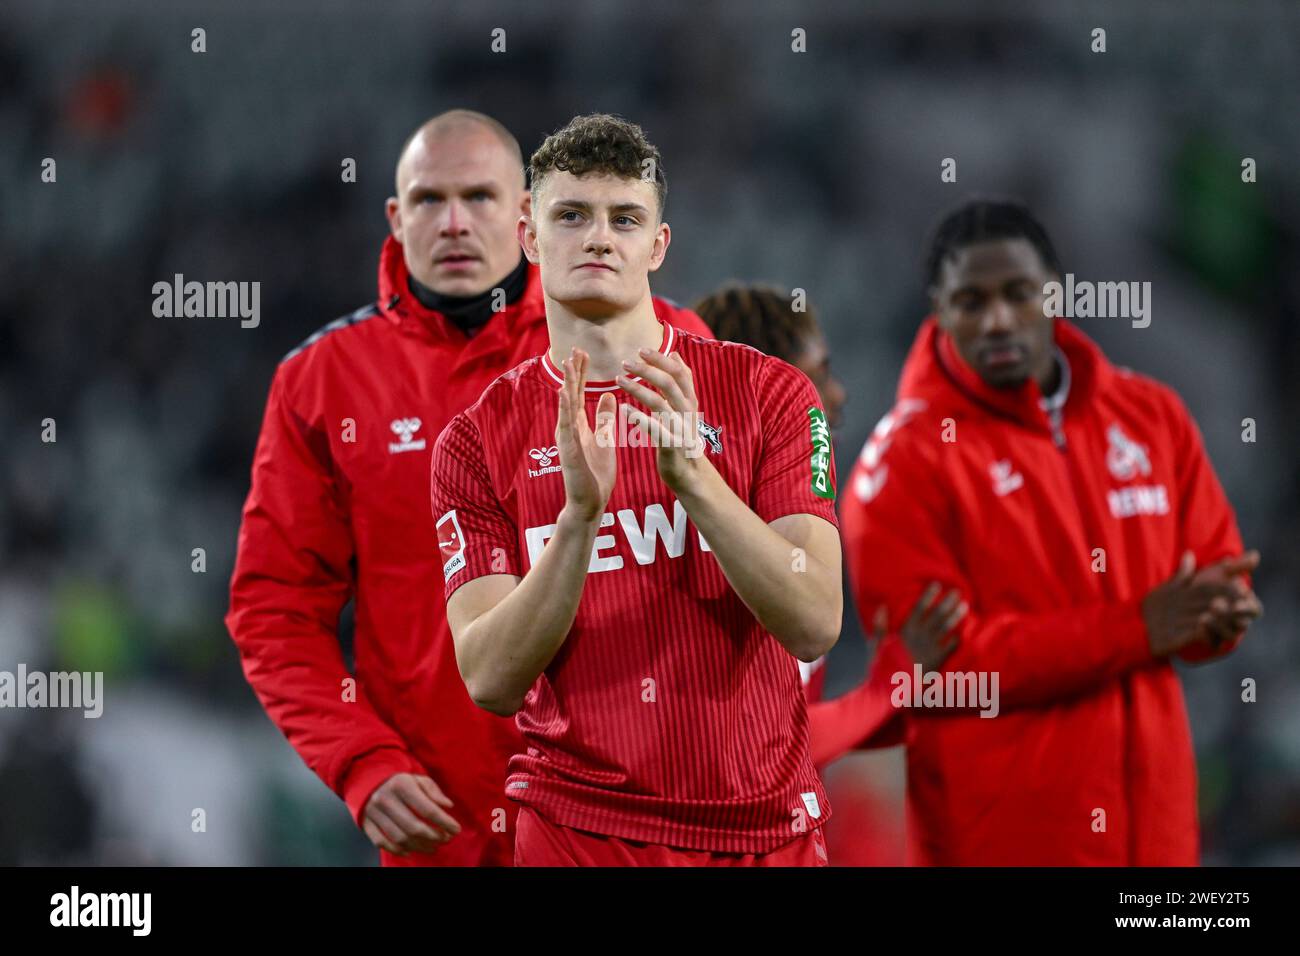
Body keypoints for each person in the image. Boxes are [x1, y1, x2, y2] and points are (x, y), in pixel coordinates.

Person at [226, 110, 711, 867]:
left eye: (479, 197)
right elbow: (274, 610)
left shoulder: (666, 347)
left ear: (525, 215)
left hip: (636, 821)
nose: (453, 222)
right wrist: (359, 759)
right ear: (395, 218)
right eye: (427, 200)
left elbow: (741, 563)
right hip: (447, 828)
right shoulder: (321, 384)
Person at [431, 114, 841, 866]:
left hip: (763, 837)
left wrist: (695, 480)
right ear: (528, 235)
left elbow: (814, 620)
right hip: (578, 832)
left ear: (657, 244)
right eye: (572, 216)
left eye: (625, 219)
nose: (598, 238)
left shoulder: (769, 394)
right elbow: (489, 677)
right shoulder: (474, 441)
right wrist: (580, 521)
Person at [840, 197, 1263, 865]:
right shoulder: (904, 465)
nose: (998, 318)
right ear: (939, 311)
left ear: (1059, 293)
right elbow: (942, 670)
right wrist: (1140, 627)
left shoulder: (1153, 417)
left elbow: (1215, 576)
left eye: (1018, 293)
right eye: (971, 301)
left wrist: (1220, 616)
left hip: (1158, 840)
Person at [693, 283, 963, 766]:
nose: (836, 396)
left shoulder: (772, 526)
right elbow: (769, 751)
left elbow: (793, 729)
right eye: (818, 375)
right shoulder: (721, 555)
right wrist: (891, 684)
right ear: (762, 391)